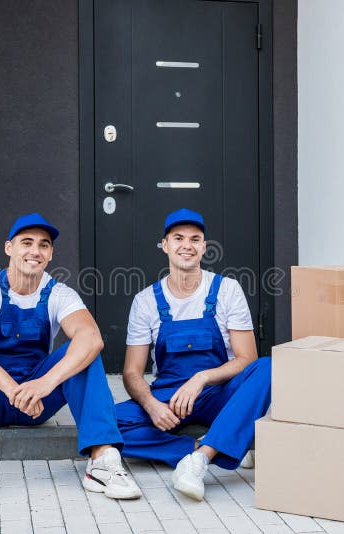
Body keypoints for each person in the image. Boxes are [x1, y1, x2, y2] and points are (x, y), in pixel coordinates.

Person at [0, 213, 141, 512]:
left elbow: (91, 337)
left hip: (34, 403)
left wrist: (44, 383)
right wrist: (12, 388)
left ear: (51, 254)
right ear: (9, 248)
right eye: (26, 243)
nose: (35, 251)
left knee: (83, 351)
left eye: (43, 245)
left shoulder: (58, 294)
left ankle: (103, 461)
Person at [116, 208, 271, 501]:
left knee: (267, 368)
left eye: (194, 239)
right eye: (178, 238)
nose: (186, 245)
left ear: (204, 247)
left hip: (218, 391)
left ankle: (200, 460)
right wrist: (151, 405)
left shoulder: (227, 290)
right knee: (106, 425)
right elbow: (131, 372)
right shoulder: (146, 300)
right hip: (170, 397)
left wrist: (201, 378)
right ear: (164, 245)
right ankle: (217, 446)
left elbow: (247, 358)